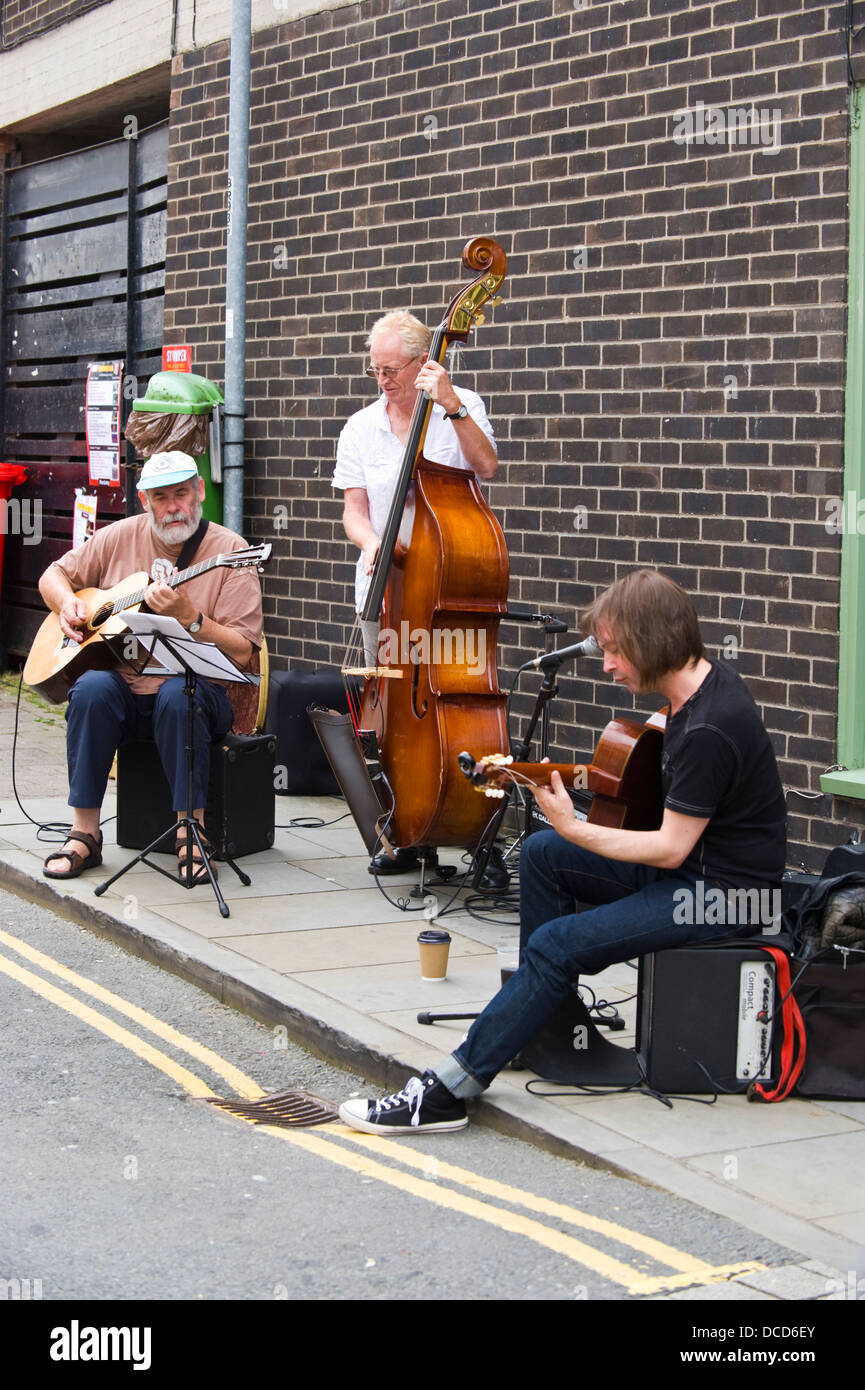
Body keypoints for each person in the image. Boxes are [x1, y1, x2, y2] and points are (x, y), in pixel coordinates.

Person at [338, 568, 788, 1134]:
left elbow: (672, 849)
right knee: (543, 854)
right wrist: (562, 797)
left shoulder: (710, 729)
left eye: (614, 651)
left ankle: (449, 1092)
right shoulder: (694, 692)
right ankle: (543, 1028)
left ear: (651, 642)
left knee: (556, 940)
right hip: (695, 875)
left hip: (723, 898)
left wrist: (578, 827)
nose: (606, 664)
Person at [39, 451, 263, 884]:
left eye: (182, 493)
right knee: (89, 689)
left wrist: (191, 619)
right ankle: (84, 832)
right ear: (145, 501)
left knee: (180, 696)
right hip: (127, 691)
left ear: (199, 492)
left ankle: (190, 833)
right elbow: (53, 575)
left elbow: (241, 651)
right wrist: (68, 602)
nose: (173, 506)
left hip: (201, 694)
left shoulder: (232, 551)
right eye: (162, 497)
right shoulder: (118, 537)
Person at [332, 308, 498, 876]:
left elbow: (487, 467)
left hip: (448, 589)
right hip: (386, 588)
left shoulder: (461, 404)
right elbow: (354, 513)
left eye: (391, 369)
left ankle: (476, 825)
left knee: (460, 706)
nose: (382, 380)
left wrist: (450, 403)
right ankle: (406, 832)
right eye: (374, 370)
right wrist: (372, 543)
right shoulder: (361, 426)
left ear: (422, 360)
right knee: (396, 716)